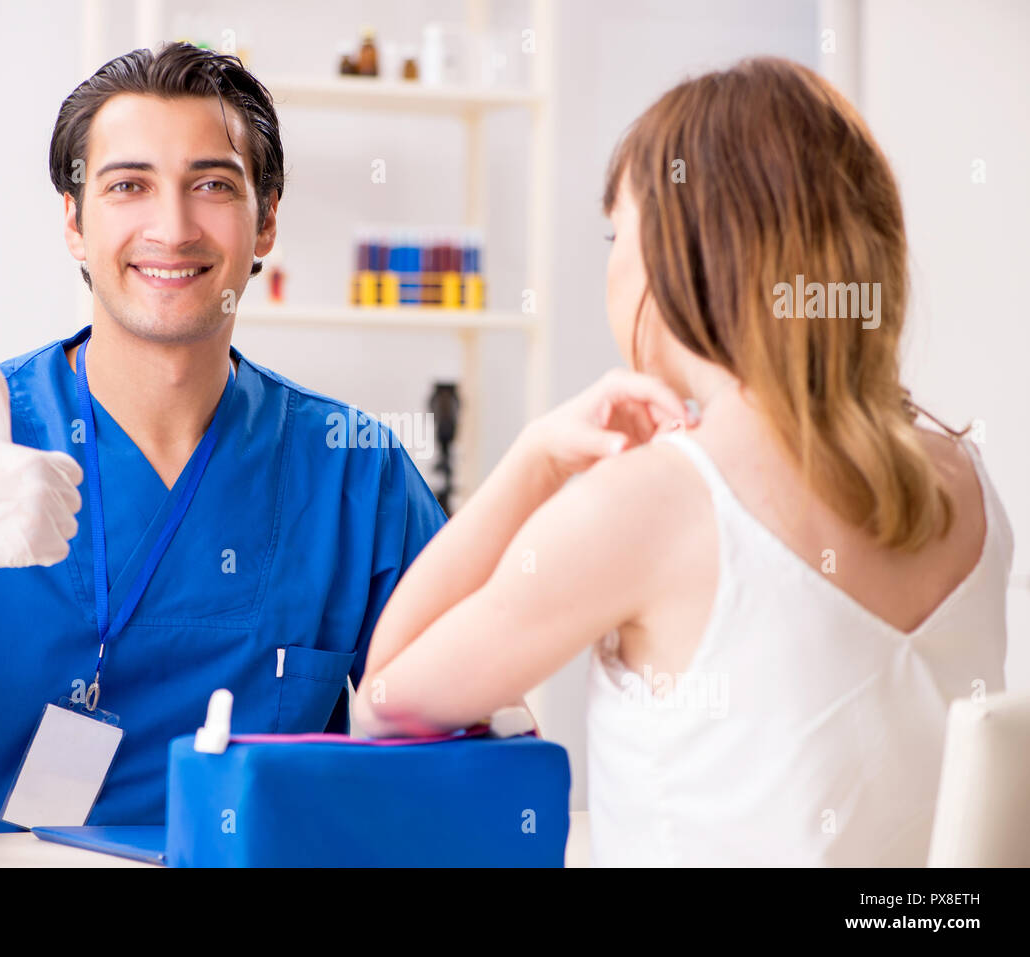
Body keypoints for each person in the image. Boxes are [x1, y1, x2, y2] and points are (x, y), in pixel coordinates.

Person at [0, 43, 446, 831]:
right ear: (75, 223)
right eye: (128, 186)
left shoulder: (356, 471)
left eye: (212, 184)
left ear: (267, 221)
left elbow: (457, 724)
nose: (171, 227)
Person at [353, 57, 1014, 866]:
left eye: (615, 233)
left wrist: (533, 463)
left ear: (684, 255)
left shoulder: (655, 500)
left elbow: (385, 697)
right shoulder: (969, 484)